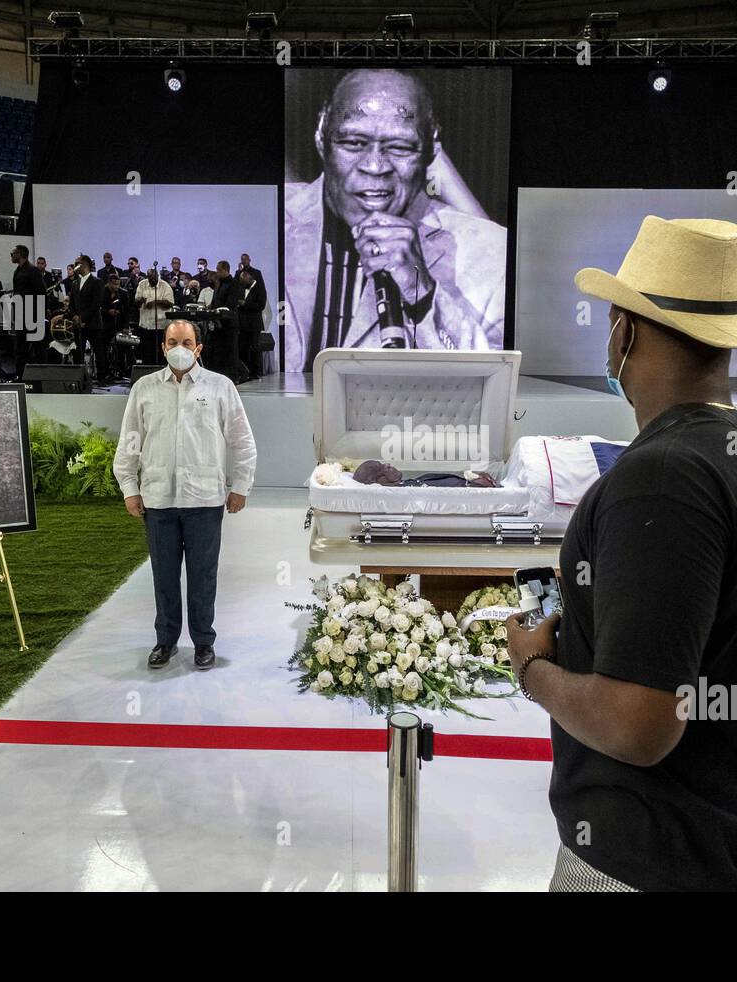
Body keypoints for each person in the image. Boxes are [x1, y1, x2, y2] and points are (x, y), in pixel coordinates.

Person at [503, 216, 737, 892]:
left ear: (625, 331)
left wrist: (534, 670)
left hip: (651, 859)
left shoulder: (663, 476)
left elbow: (640, 725)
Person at [283, 68, 507, 372]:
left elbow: (496, 389)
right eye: (353, 143)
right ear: (322, 138)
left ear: (432, 152)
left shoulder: (490, 253)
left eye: (400, 147)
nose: (375, 166)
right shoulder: (269, 220)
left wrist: (424, 296)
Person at [112, 319, 257, 671]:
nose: (180, 347)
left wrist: (240, 486)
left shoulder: (220, 387)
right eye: (173, 340)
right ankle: (166, 641)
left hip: (204, 501)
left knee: (203, 576)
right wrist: (129, 488)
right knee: (163, 575)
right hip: (158, 500)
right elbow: (130, 440)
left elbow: (242, 441)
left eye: (187, 341)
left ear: (198, 348)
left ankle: (204, 642)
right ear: (163, 346)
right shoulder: (144, 388)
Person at [10, 244, 46, 380]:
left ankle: (43, 376)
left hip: (32, 314)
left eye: (12, 253)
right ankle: (20, 375)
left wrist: (39, 314)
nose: (11, 256)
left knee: (38, 347)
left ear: (20, 254)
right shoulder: (17, 271)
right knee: (20, 348)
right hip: (21, 314)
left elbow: (41, 292)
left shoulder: (33, 270)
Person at [71, 254, 107, 382]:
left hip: (93, 323)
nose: (75, 266)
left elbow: (96, 304)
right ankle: (80, 378)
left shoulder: (97, 282)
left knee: (98, 351)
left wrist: (83, 318)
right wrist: (75, 316)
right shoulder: (75, 283)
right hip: (78, 324)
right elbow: (72, 303)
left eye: (77, 263)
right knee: (78, 351)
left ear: (85, 265)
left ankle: (102, 377)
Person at [135, 265, 175, 367]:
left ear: (157, 276)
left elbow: (170, 303)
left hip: (160, 325)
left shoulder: (165, 286)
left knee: (161, 352)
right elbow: (136, 301)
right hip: (146, 324)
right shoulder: (142, 284)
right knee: (146, 352)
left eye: (154, 278)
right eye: (150, 278)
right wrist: (142, 300)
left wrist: (155, 302)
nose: (152, 280)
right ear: (147, 277)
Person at [234, 267, 267, 382]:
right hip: (242, 323)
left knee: (254, 347)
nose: (241, 283)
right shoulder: (240, 288)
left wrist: (245, 305)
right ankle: (244, 371)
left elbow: (261, 305)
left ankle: (255, 372)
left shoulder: (259, 288)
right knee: (242, 348)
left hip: (254, 324)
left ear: (249, 278)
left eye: (243, 281)